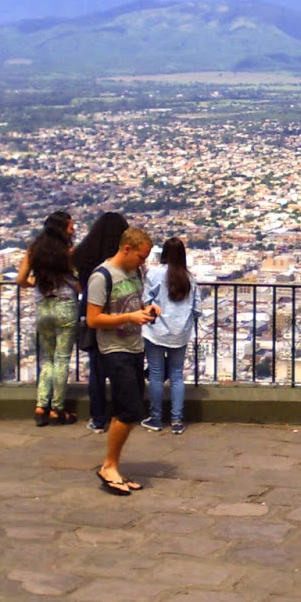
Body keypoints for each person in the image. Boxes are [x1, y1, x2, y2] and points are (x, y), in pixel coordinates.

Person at [86, 226, 158, 495]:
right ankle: (108, 466)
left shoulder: (134, 273)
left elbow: (132, 306)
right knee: (128, 410)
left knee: (127, 410)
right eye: (141, 257)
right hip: (114, 349)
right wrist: (129, 318)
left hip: (134, 345)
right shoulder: (102, 276)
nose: (143, 263)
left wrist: (146, 311)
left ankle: (113, 465)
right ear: (126, 249)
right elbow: (93, 319)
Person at [16, 212, 78, 426]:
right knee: (61, 360)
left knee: (48, 359)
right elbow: (78, 282)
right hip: (65, 306)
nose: (74, 230)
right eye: (71, 227)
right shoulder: (69, 253)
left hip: (43, 306)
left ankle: (41, 405)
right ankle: (57, 409)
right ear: (63, 229)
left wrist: (36, 285)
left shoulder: (34, 250)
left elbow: (20, 279)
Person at [72, 212, 129, 434]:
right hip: (117, 315)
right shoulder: (121, 259)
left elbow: (78, 282)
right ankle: (117, 415)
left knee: (96, 370)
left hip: (92, 313)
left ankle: (98, 418)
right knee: (117, 368)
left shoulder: (84, 254)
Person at [143, 236, 201, 434]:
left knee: (156, 375)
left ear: (164, 254)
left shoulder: (155, 274)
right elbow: (197, 308)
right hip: (181, 333)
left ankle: (156, 418)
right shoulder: (189, 278)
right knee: (177, 376)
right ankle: (177, 421)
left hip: (156, 331)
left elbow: (145, 299)